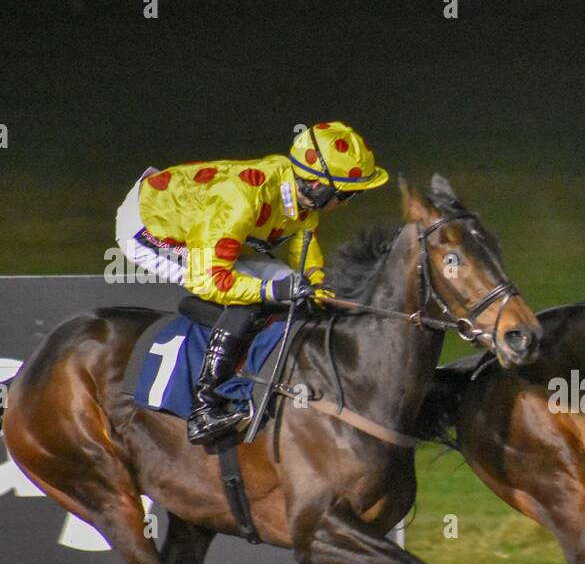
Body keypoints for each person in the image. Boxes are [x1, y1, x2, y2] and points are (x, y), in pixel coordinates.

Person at [114, 121, 389, 444]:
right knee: (251, 300)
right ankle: (206, 406)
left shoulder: (298, 190)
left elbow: (304, 238)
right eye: (345, 194)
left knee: (296, 289)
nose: (346, 203)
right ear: (316, 185)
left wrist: (315, 282)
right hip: (151, 228)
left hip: (210, 222)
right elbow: (211, 279)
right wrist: (270, 291)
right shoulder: (240, 202)